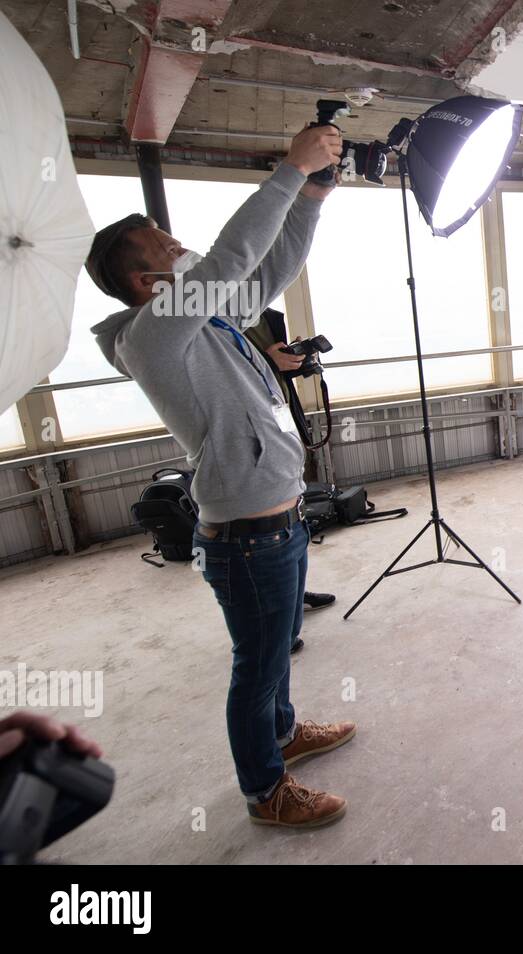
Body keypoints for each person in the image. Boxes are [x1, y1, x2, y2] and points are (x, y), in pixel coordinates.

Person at [84, 123, 356, 827]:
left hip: (281, 519)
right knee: (256, 669)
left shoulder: (202, 320)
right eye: (169, 249)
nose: (185, 250)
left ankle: (286, 735)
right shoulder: (154, 333)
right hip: (247, 535)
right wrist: (288, 169)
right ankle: (264, 792)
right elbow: (233, 258)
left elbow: (268, 271)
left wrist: (311, 201)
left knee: (276, 653)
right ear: (147, 281)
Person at [244, 307, 337, 653]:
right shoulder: (213, 321)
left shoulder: (264, 316)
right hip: (254, 437)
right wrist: (268, 363)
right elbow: (232, 378)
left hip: (281, 419)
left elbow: (270, 372)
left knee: (295, 518)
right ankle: (277, 628)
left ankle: (294, 596)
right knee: (268, 532)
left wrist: (293, 361)